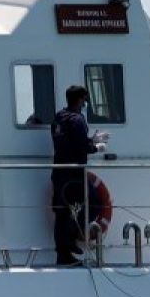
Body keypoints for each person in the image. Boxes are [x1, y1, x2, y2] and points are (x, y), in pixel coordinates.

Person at [51, 84, 109, 266]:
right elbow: (80, 146)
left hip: (59, 171)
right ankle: (73, 236)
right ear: (80, 99)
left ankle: (63, 255)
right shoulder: (77, 119)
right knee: (95, 202)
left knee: (62, 212)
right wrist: (96, 147)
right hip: (74, 174)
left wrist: (91, 139)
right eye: (85, 100)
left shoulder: (59, 118)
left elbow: (70, 141)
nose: (85, 103)